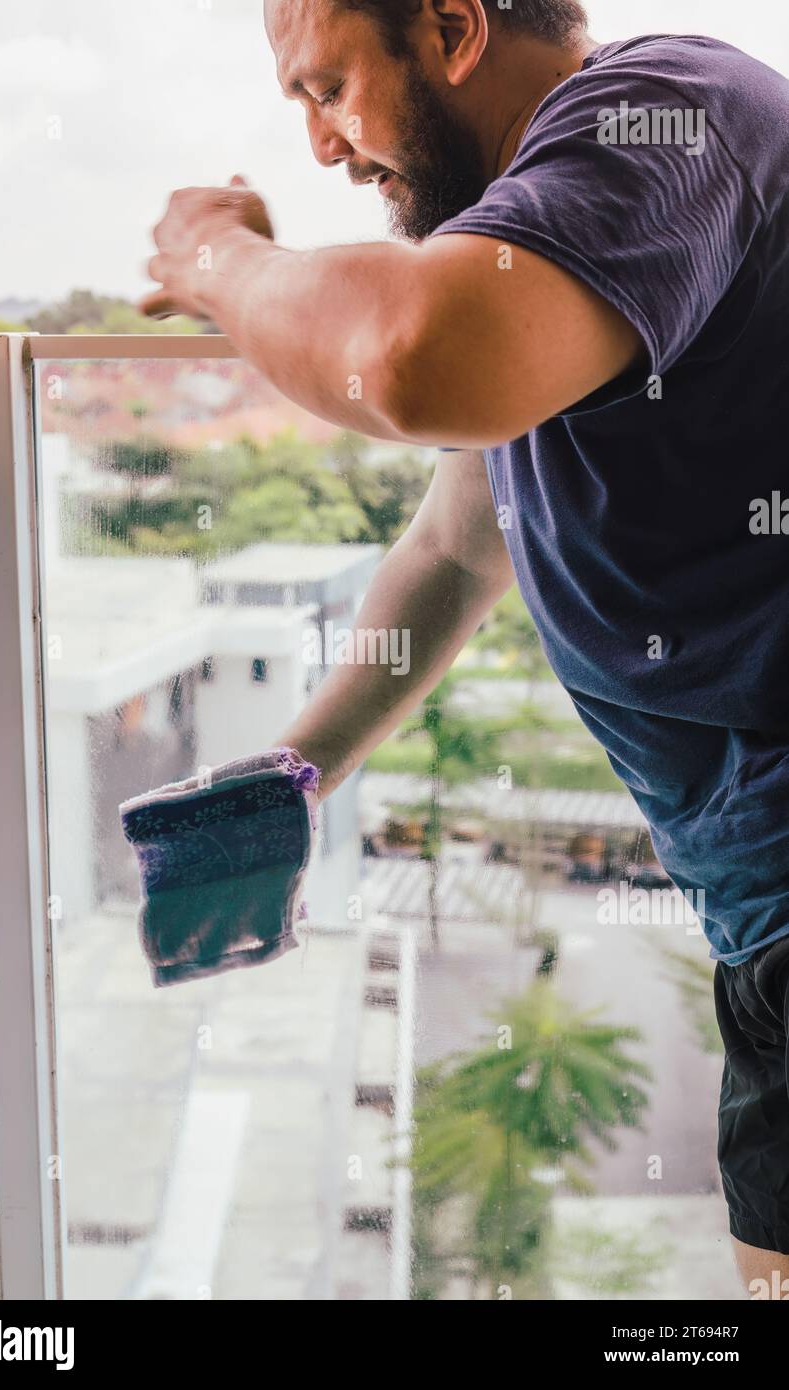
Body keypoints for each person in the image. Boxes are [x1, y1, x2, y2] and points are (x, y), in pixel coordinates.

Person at [140, 0, 789, 1296]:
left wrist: (212, 260)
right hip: (760, 916)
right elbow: (457, 550)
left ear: (448, 30)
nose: (324, 147)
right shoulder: (561, 246)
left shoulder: (667, 117)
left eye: (328, 88)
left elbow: (411, 353)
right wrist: (296, 771)